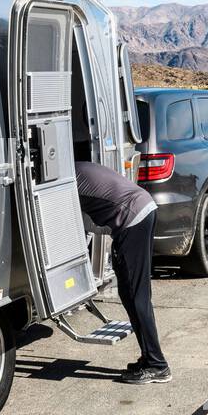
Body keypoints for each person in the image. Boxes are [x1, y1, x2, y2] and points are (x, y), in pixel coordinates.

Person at [74, 161, 171, 384]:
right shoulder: (81, 168)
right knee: (132, 294)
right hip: (143, 208)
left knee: (136, 296)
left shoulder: (69, 182)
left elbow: (85, 225)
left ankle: (157, 365)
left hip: (132, 218)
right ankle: (150, 358)